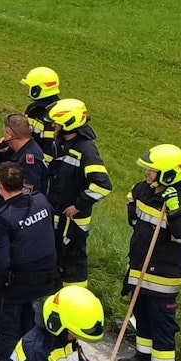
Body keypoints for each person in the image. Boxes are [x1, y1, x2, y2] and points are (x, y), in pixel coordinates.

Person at [116, 144, 181, 361]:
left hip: (163, 276)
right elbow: (132, 199)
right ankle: (142, 356)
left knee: (162, 324)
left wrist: (175, 212)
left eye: (152, 171)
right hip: (139, 266)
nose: (147, 174)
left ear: (168, 174)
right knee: (141, 314)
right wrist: (133, 215)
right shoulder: (144, 190)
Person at [0, 162, 59, 361]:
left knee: (8, 333)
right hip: (45, 281)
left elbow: (2, 261)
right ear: (24, 184)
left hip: (16, 286)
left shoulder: (3, 217)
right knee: (33, 331)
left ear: (0, 186)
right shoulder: (41, 201)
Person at [45, 99, 112, 287]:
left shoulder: (86, 149)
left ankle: (76, 298)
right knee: (56, 259)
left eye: (57, 123)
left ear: (68, 124)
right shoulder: (60, 143)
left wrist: (78, 205)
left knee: (73, 265)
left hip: (73, 223)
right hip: (58, 216)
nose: (53, 126)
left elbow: (103, 185)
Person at [0, 114, 48, 211]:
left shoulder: (29, 159)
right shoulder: (16, 149)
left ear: (9, 134)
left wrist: (13, 214)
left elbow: (29, 194)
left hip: (17, 213)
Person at [21, 67, 61, 160]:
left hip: (39, 164)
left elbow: (49, 150)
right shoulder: (32, 109)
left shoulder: (54, 115)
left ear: (37, 90)